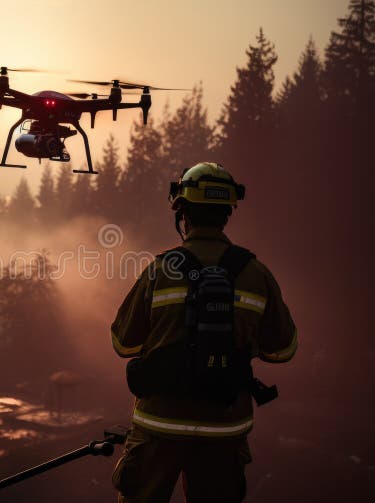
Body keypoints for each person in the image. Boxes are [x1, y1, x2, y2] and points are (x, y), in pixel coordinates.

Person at [110, 162, 297, 502]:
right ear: (228, 212)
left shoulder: (160, 271)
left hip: (158, 425)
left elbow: (123, 342)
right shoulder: (258, 275)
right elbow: (283, 350)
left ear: (182, 212)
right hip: (226, 428)